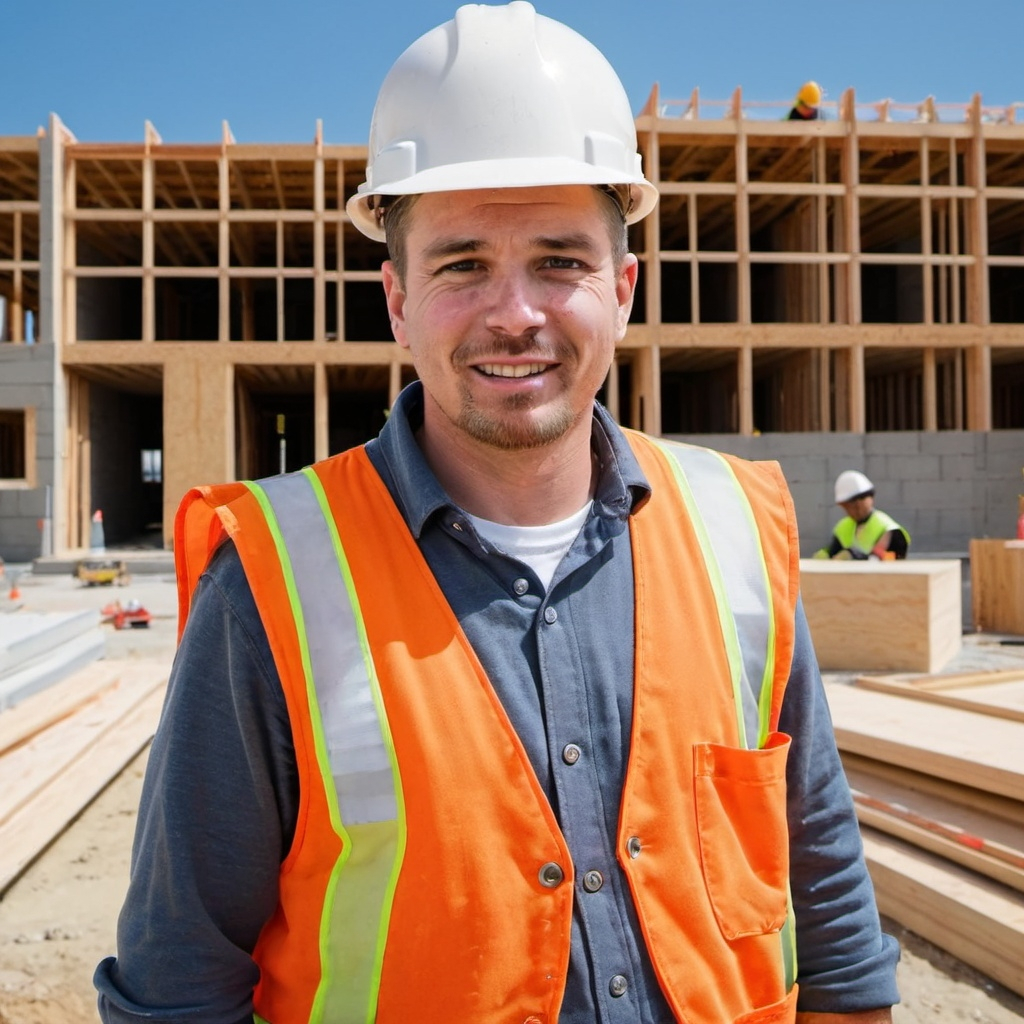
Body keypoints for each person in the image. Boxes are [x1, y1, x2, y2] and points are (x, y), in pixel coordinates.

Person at [95, 5, 899, 1022]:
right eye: (462, 262)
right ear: (394, 300)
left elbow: (822, 892)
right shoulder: (272, 580)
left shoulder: (734, 527)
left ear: (623, 285)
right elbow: (179, 980)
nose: (513, 312)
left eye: (560, 260)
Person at [815, 470, 910, 560]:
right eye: (848, 506)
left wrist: (855, 556)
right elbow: (832, 552)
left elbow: (891, 562)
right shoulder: (843, 527)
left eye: (857, 504)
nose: (854, 510)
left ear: (869, 498)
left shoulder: (887, 528)